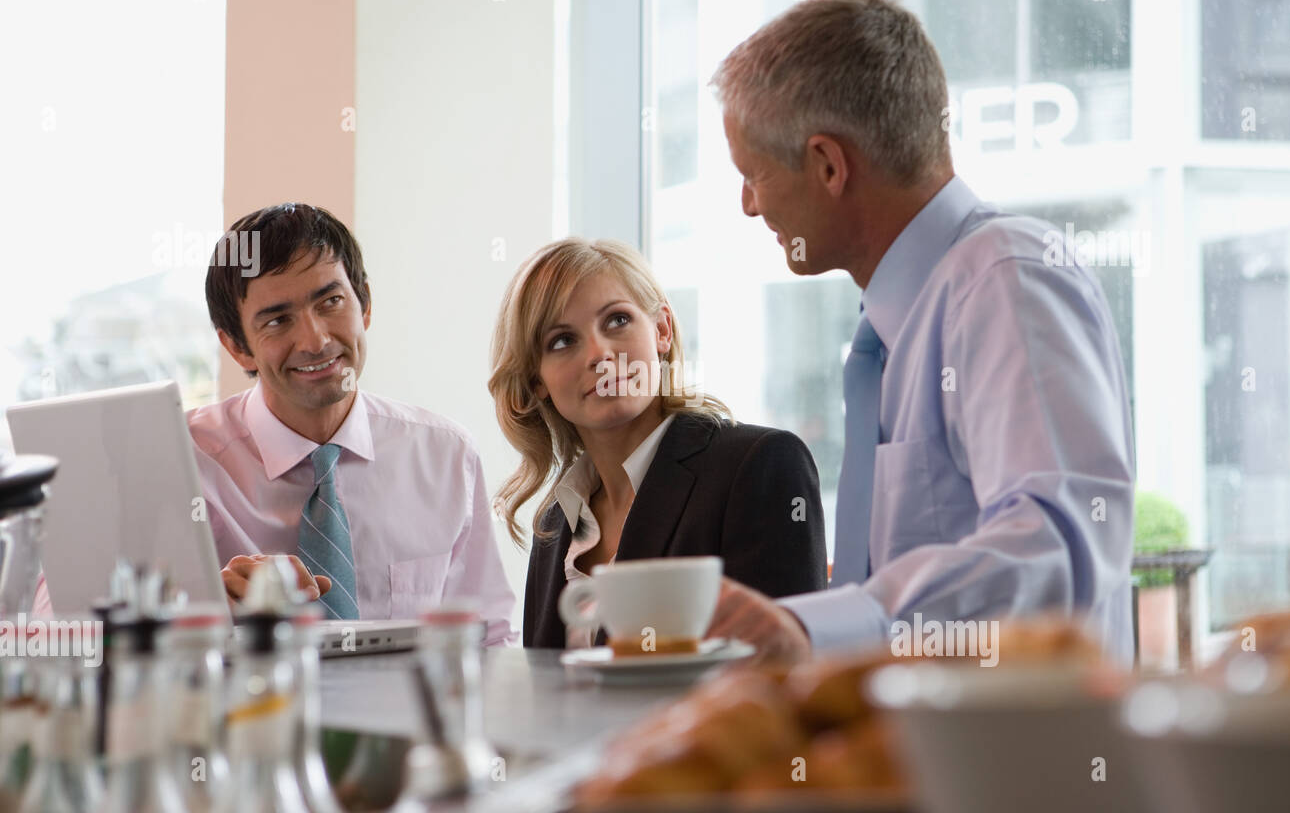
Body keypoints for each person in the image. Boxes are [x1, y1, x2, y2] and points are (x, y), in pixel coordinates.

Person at [703, 0, 1136, 665]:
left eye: (752, 174)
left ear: (827, 164)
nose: (749, 206)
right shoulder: (902, 322)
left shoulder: (1004, 278)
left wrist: (827, 626)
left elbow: (1058, 544)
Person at [190, 203, 515, 641]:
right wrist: (209, 613)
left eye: (331, 302)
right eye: (278, 320)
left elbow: (489, 638)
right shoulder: (184, 465)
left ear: (364, 305)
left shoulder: (446, 456)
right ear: (237, 347)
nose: (316, 340)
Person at [488, 237, 827, 649]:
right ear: (538, 381)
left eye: (616, 320)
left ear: (662, 330)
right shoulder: (556, 520)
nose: (599, 354)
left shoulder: (762, 465)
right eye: (562, 341)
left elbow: (782, 676)